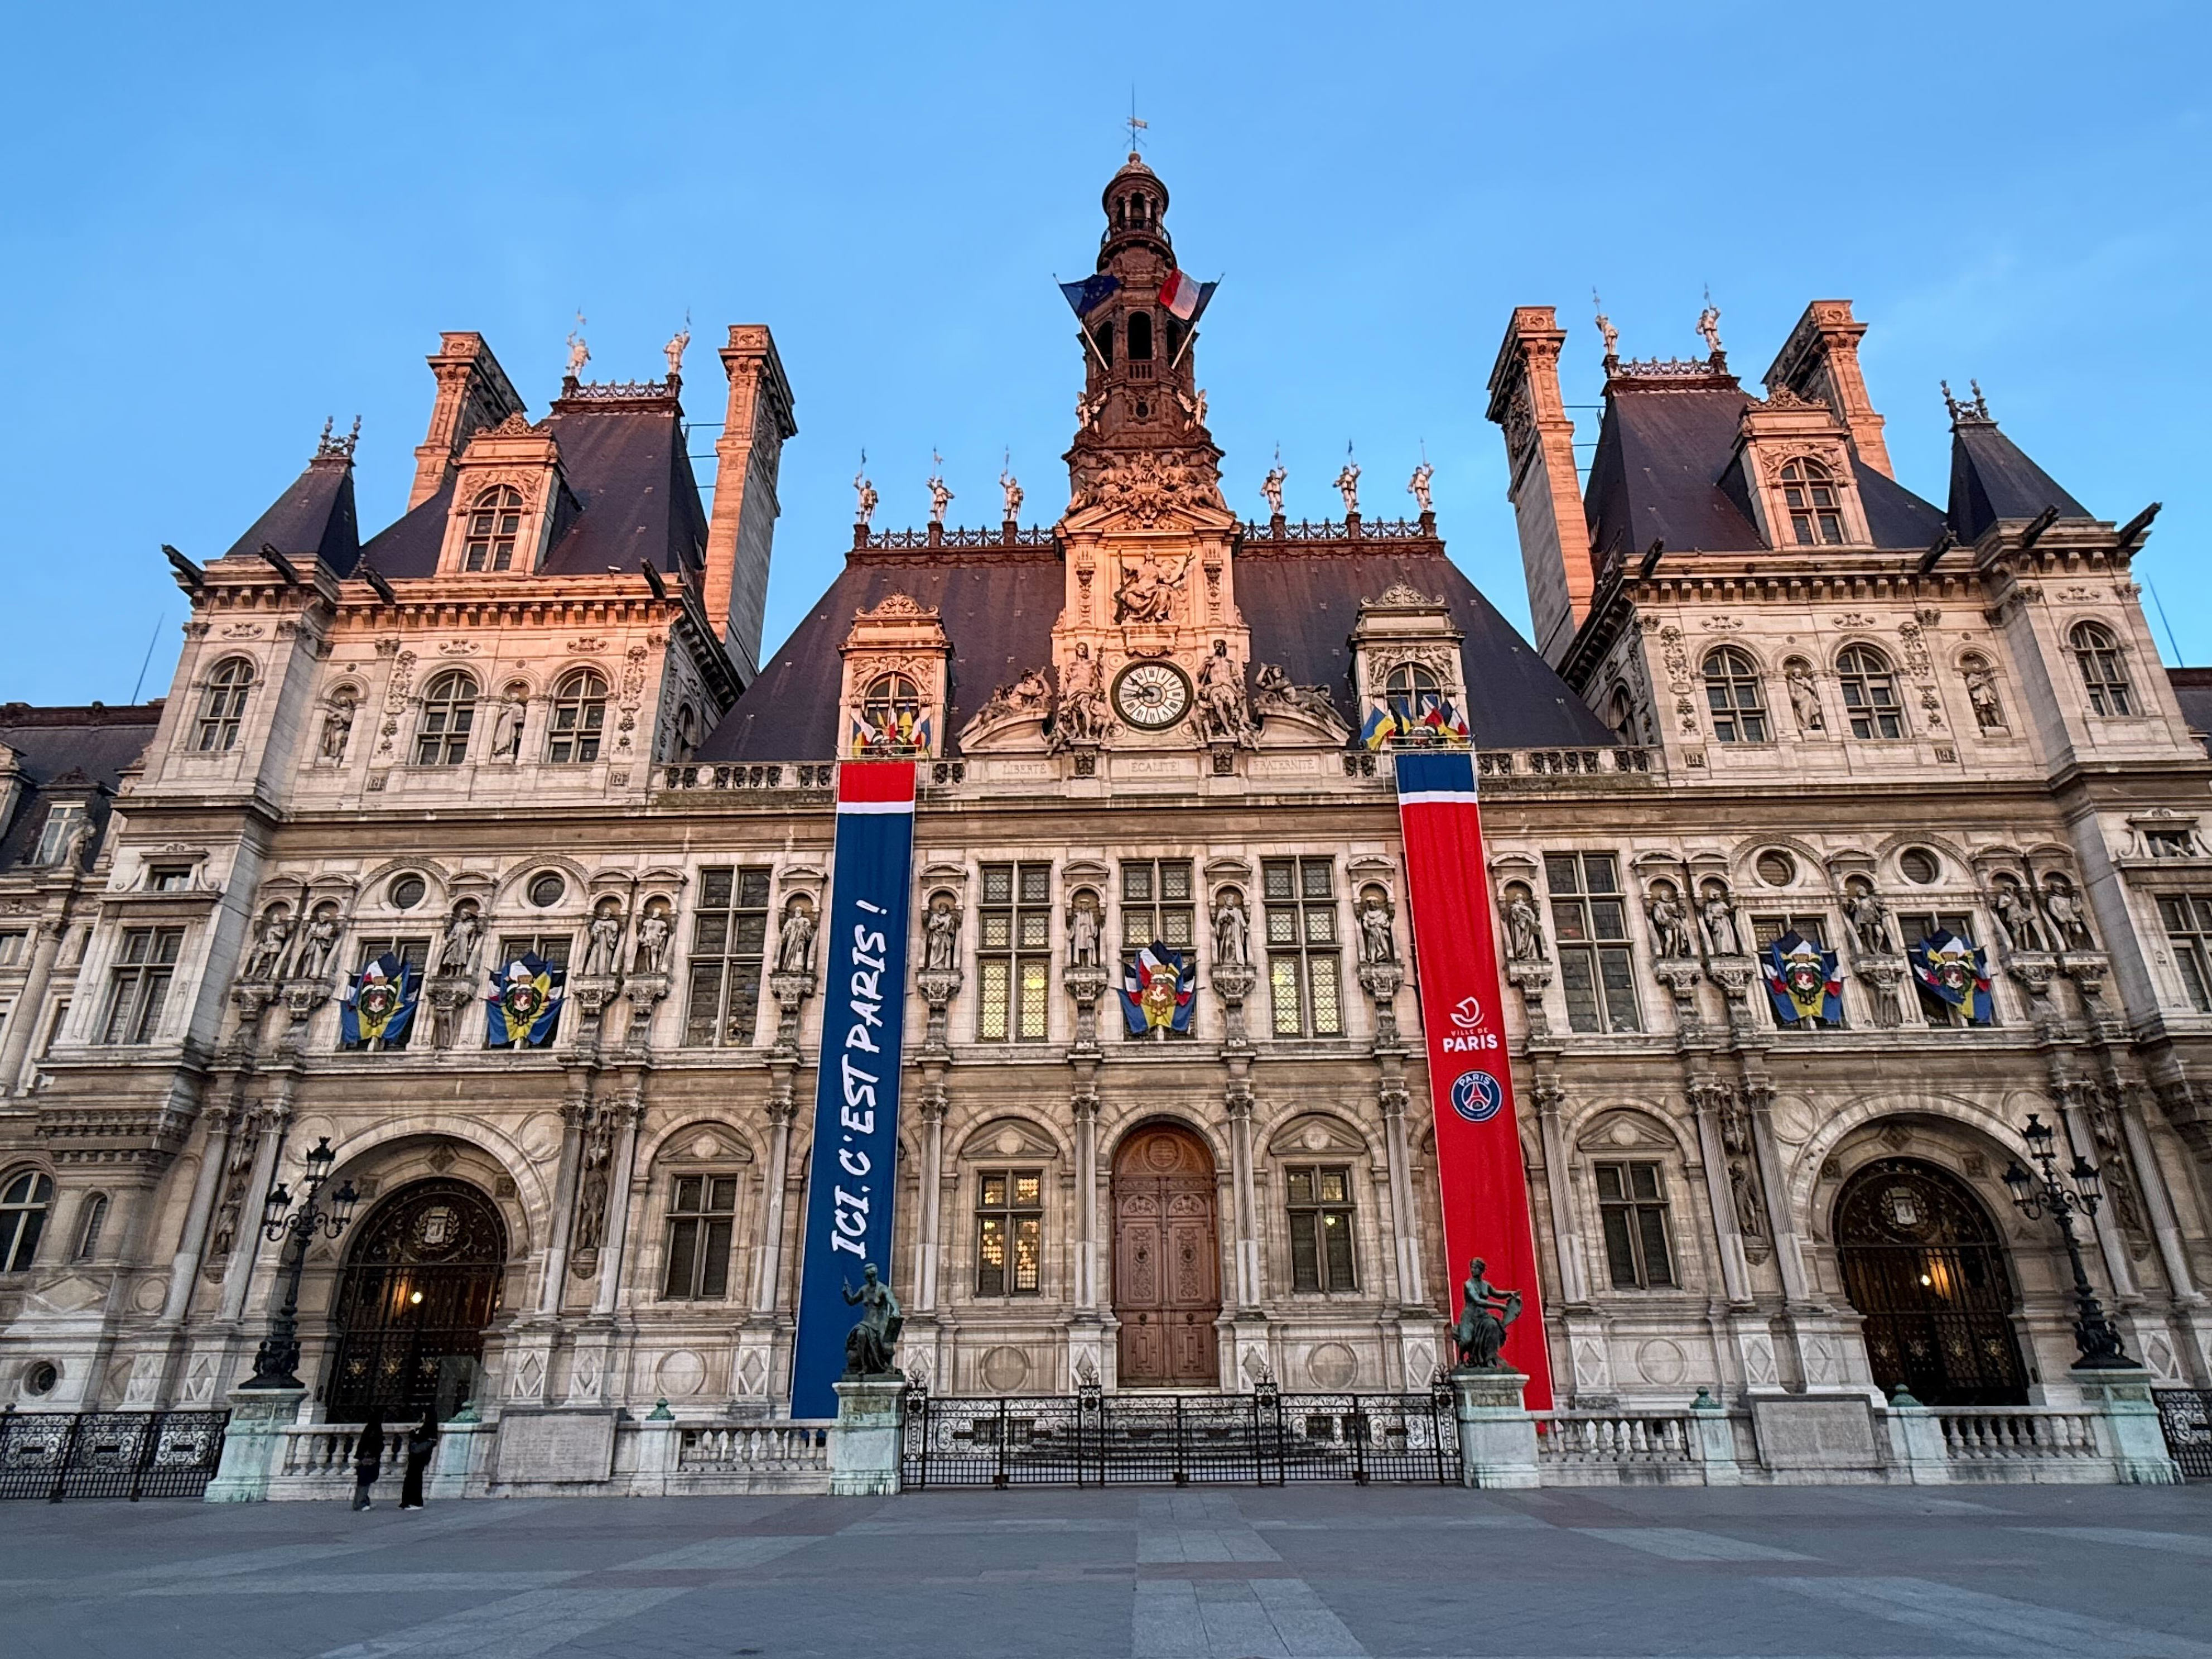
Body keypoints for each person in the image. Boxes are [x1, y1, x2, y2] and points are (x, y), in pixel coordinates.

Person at [399, 1411, 437, 1510]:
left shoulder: (427, 1427)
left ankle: (414, 1502)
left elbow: (419, 1438)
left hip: (418, 1458)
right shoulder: (431, 1427)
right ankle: (413, 1501)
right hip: (420, 1458)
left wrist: (413, 1433)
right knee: (414, 1479)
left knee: (413, 1479)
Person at [351, 1412, 384, 1511]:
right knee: (365, 1481)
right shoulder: (375, 1429)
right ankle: (360, 1503)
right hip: (370, 1458)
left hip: (366, 1458)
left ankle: (362, 1501)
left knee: (363, 1481)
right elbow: (375, 1444)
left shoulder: (369, 1428)